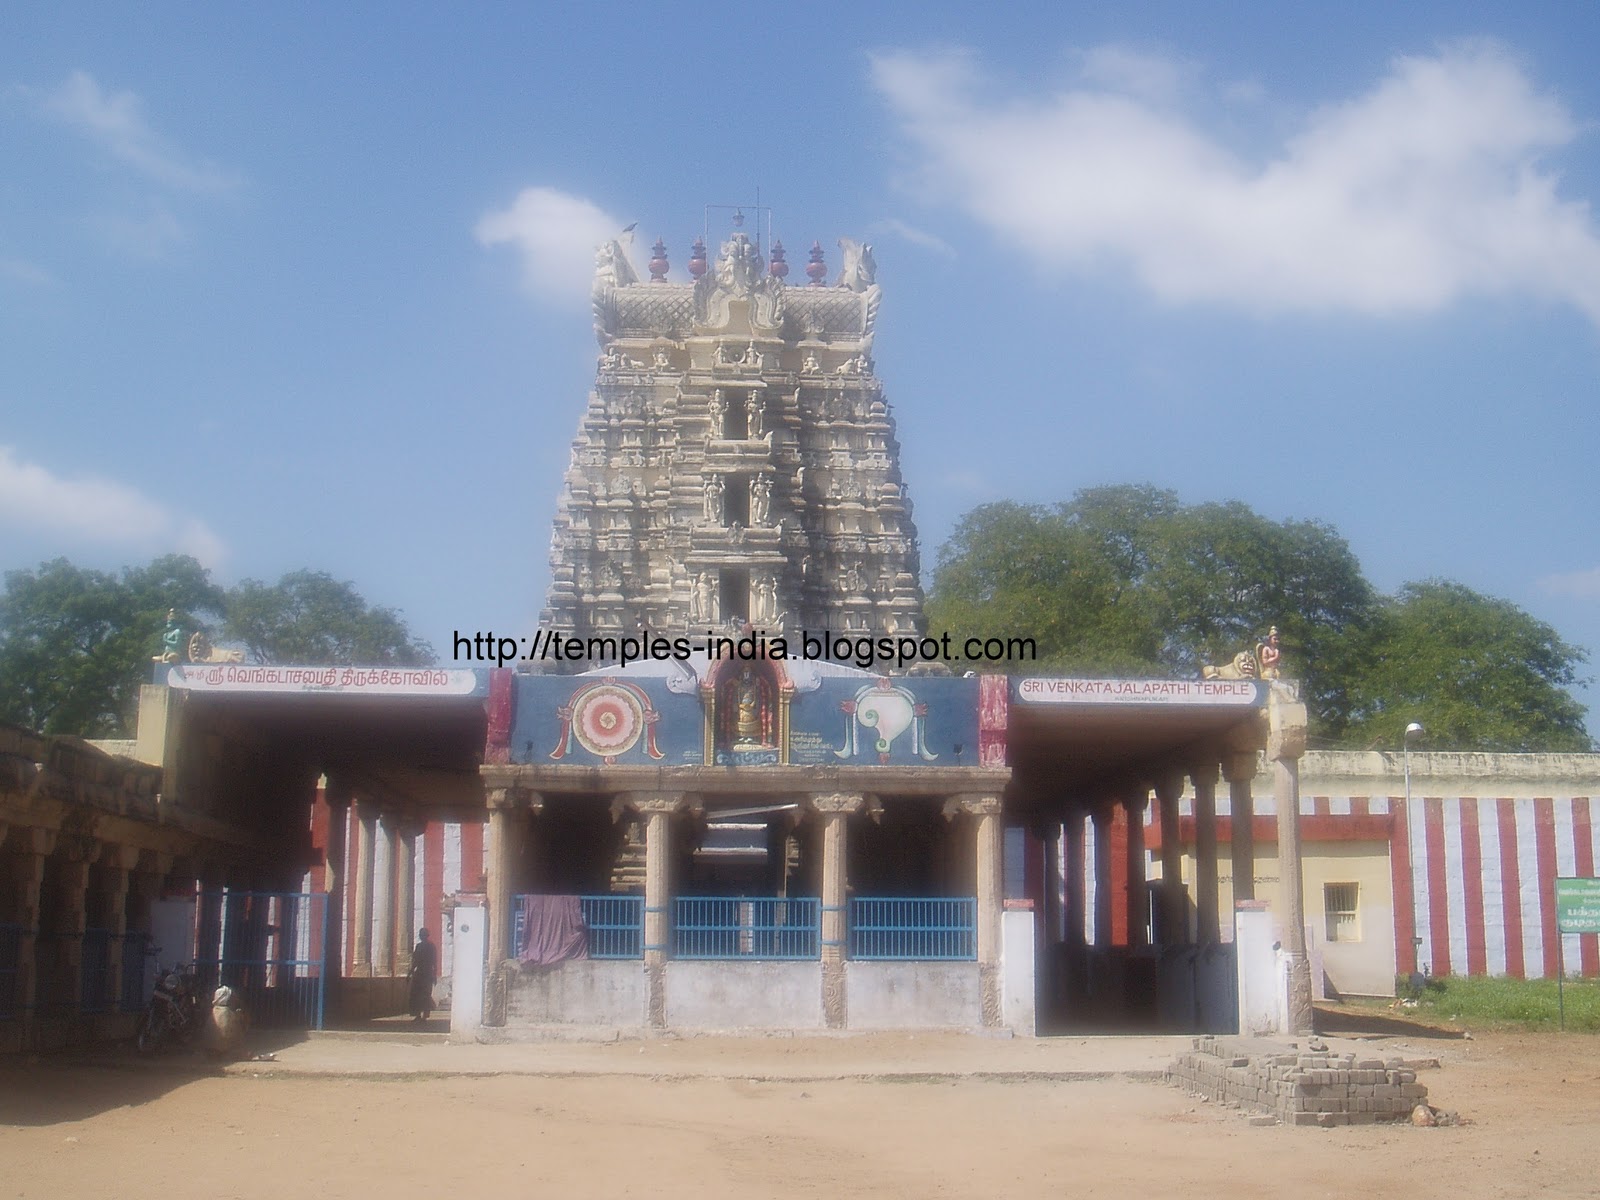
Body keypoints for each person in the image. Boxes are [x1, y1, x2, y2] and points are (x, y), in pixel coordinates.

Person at [408, 928, 438, 1022]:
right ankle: (418, 1014)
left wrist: (434, 974)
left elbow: (433, 962)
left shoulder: (428, 947)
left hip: (425, 972)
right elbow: (416, 961)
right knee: (417, 994)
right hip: (423, 972)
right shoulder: (421, 946)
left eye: (423, 935)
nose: (422, 936)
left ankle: (423, 1014)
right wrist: (410, 972)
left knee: (425, 994)